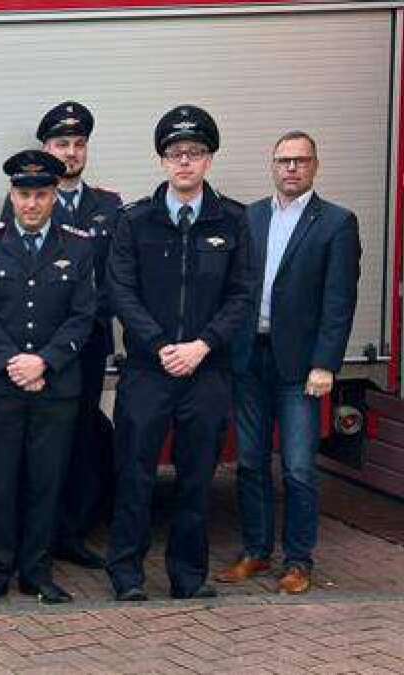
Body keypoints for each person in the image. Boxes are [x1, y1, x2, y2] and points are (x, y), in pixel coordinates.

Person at [106, 105, 252, 602]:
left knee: (196, 481)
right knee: (134, 475)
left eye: (194, 152)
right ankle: (126, 574)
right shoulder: (135, 221)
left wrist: (202, 345)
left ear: (209, 159)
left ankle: (188, 576)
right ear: (162, 160)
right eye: (175, 153)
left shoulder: (233, 220)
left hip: (206, 372)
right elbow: (121, 291)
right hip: (148, 371)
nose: (185, 161)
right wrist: (161, 345)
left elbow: (242, 295)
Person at [217, 130, 361, 595]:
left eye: (300, 160)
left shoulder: (336, 223)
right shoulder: (250, 217)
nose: (292, 168)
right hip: (249, 358)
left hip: (300, 368)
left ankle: (298, 560)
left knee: (298, 467)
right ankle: (256, 552)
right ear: (272, 165)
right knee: (250, 463)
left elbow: (339, 301)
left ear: (315, 165)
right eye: (284, 160)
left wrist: (326, 364)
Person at [0, 150, 96, 606]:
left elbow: (83, 316)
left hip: (55, 387)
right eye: (23, 194)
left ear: (55, 195)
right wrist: (12, 363)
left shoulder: (77, 246)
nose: (31, 203)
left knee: (46, 483)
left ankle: (36, 573)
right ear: (12, 195)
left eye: (41, 194)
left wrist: (45, 362)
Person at [0, 101, 122, 569]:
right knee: (29, 445)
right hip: (29, 350)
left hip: (85, 344)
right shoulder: (19, 202)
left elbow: (115, 277)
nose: (70, 152)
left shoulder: (108, 206)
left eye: (78, 143)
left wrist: (81, 321)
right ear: (46, 148)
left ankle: (71, 532)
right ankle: (25, 537)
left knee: (80, 438)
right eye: (61, 143)